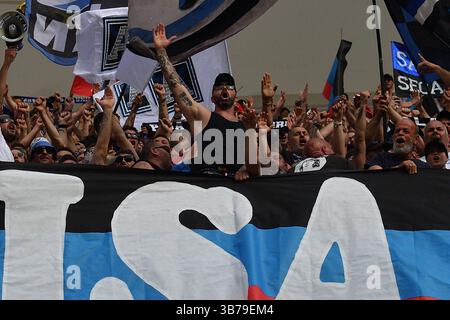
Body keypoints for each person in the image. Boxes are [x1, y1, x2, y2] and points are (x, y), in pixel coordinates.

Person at [151, 23, 259, 177]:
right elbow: (178, 88)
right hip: (206, 186)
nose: (224, 89)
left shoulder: (246, 124)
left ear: (235, 96)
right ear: (212, 98)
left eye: (229, 87)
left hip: (236, 192)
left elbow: (256, 170)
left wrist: (245, 169)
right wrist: (161, 52)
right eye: (219, 87)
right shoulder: (203, 117)